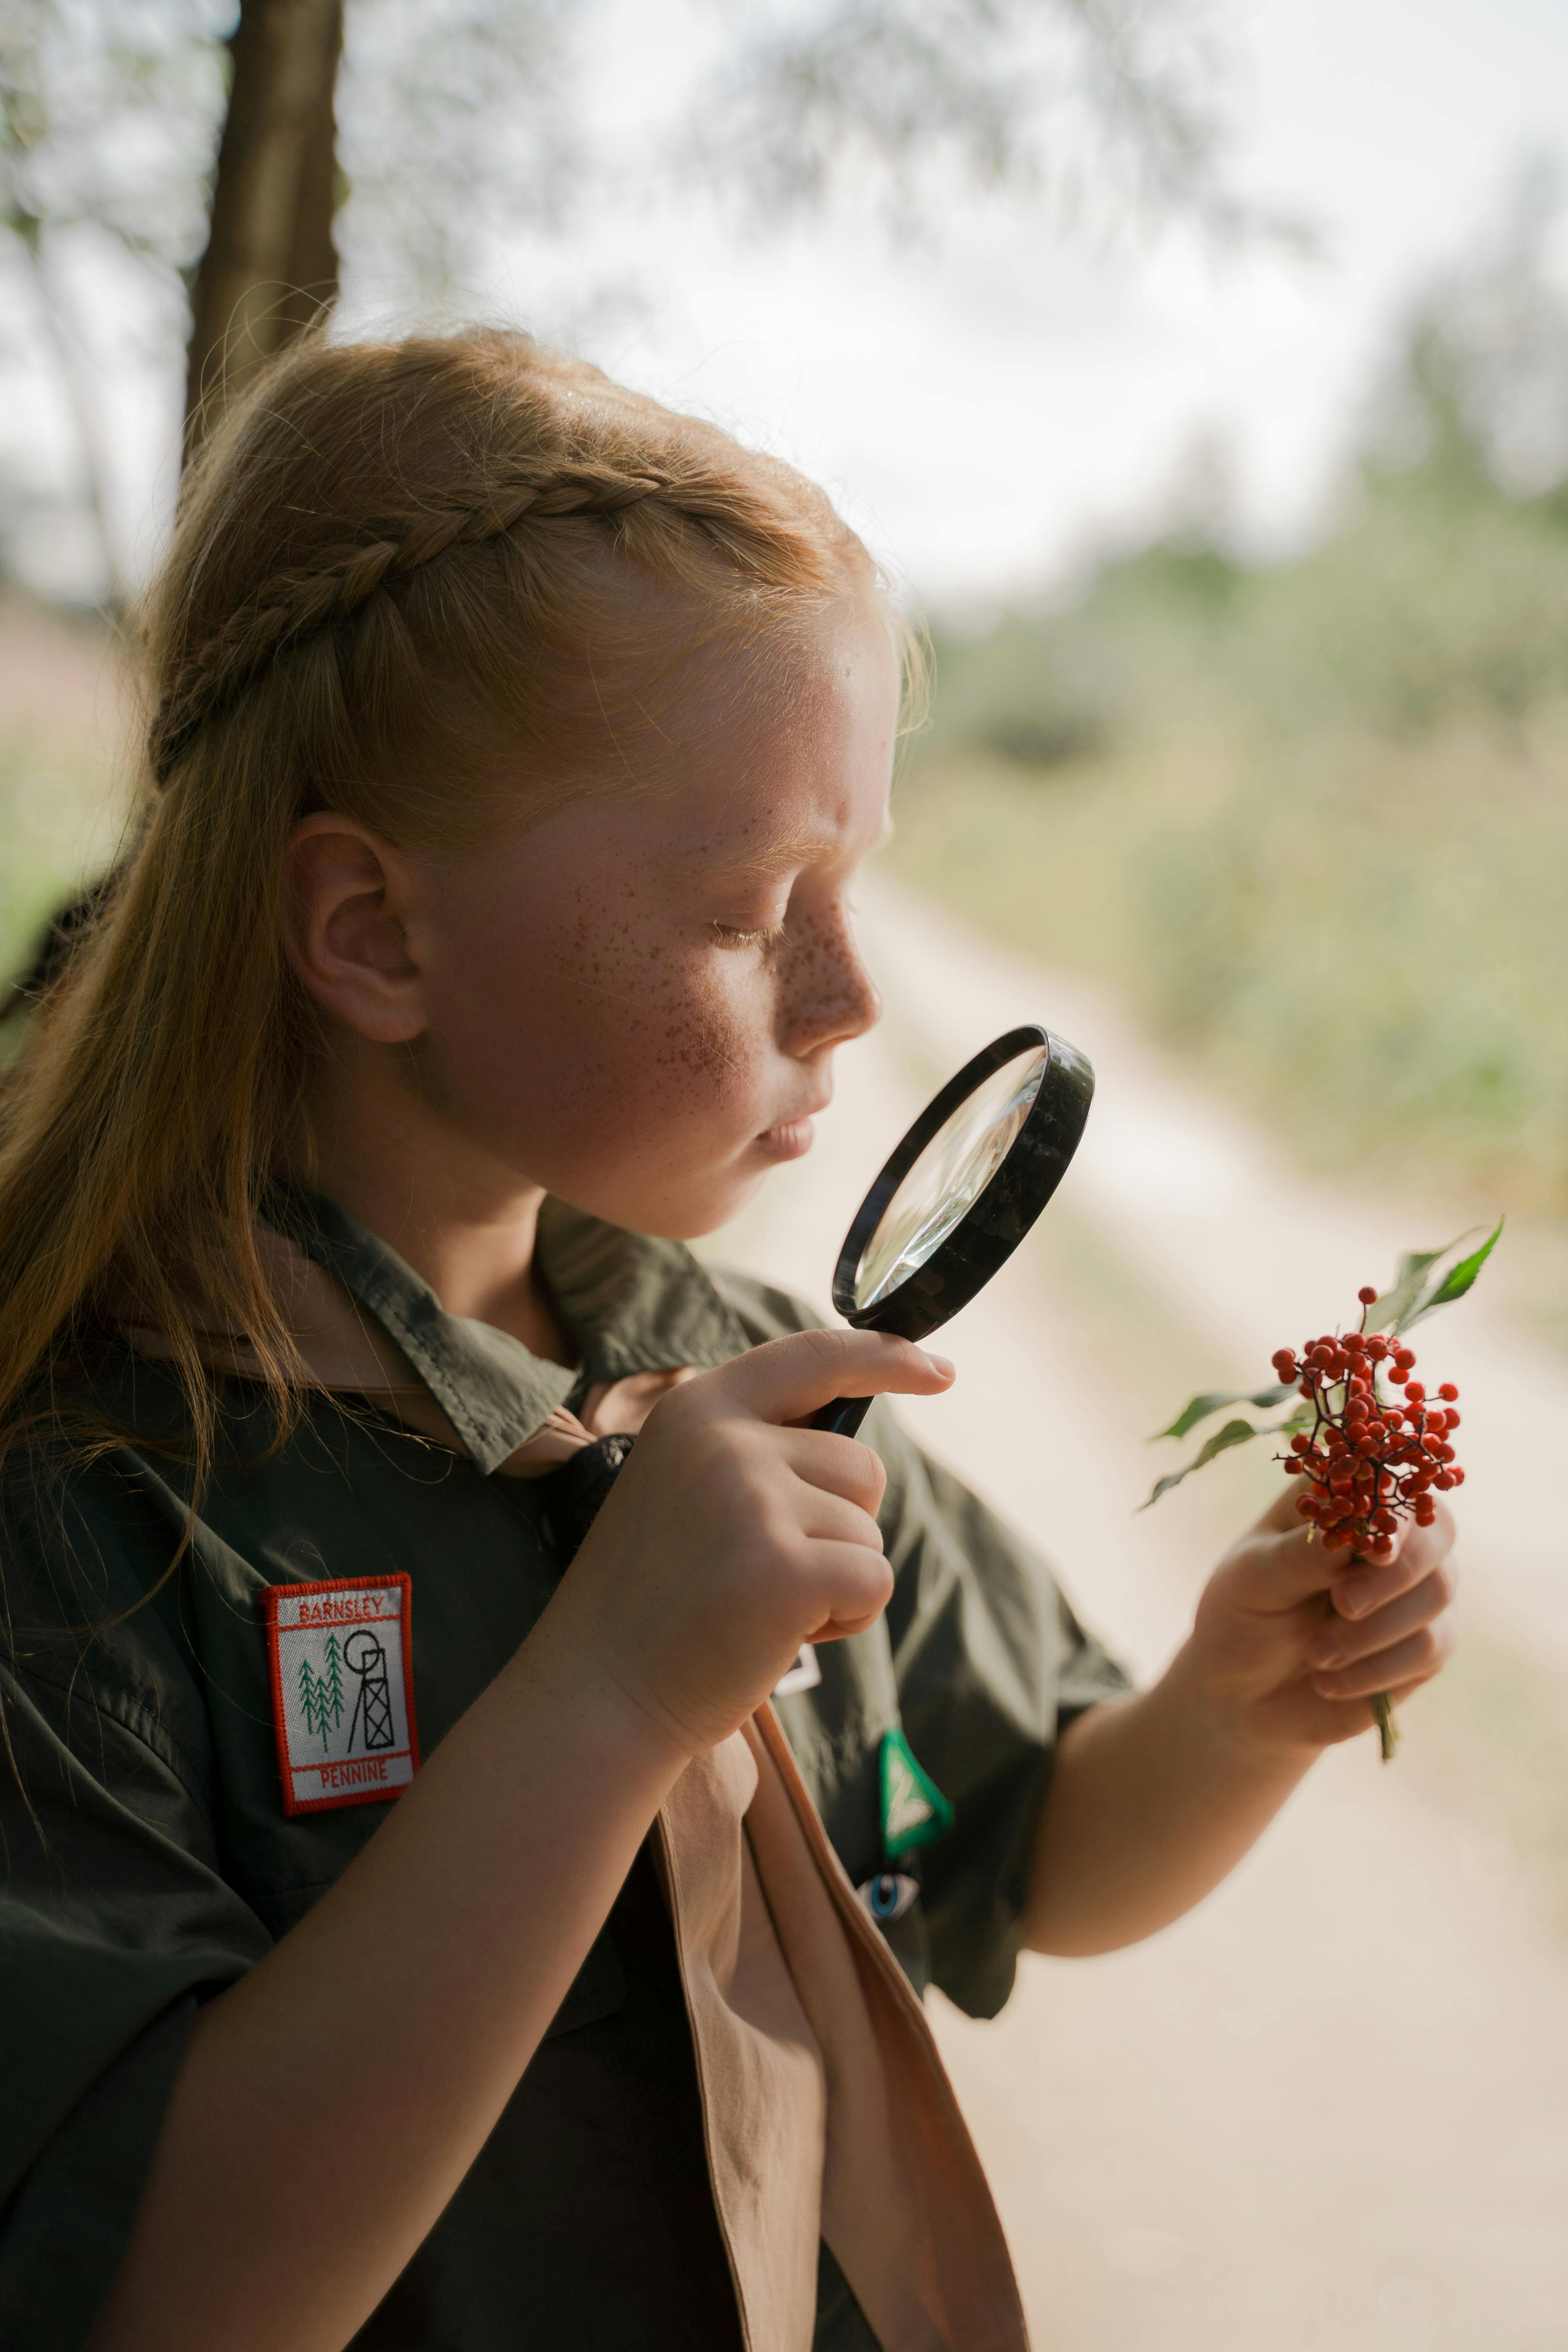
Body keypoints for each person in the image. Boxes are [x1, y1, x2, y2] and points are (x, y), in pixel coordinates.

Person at [0, 329, 1457, 2352]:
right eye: (753, 901)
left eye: (855, 880)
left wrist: (1235, 1706)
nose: (852, 989)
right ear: (376, 934)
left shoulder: (749, 1366)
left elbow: (1041, 1847)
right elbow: (164, 2301)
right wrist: (604, 1701)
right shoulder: (87, 1507)